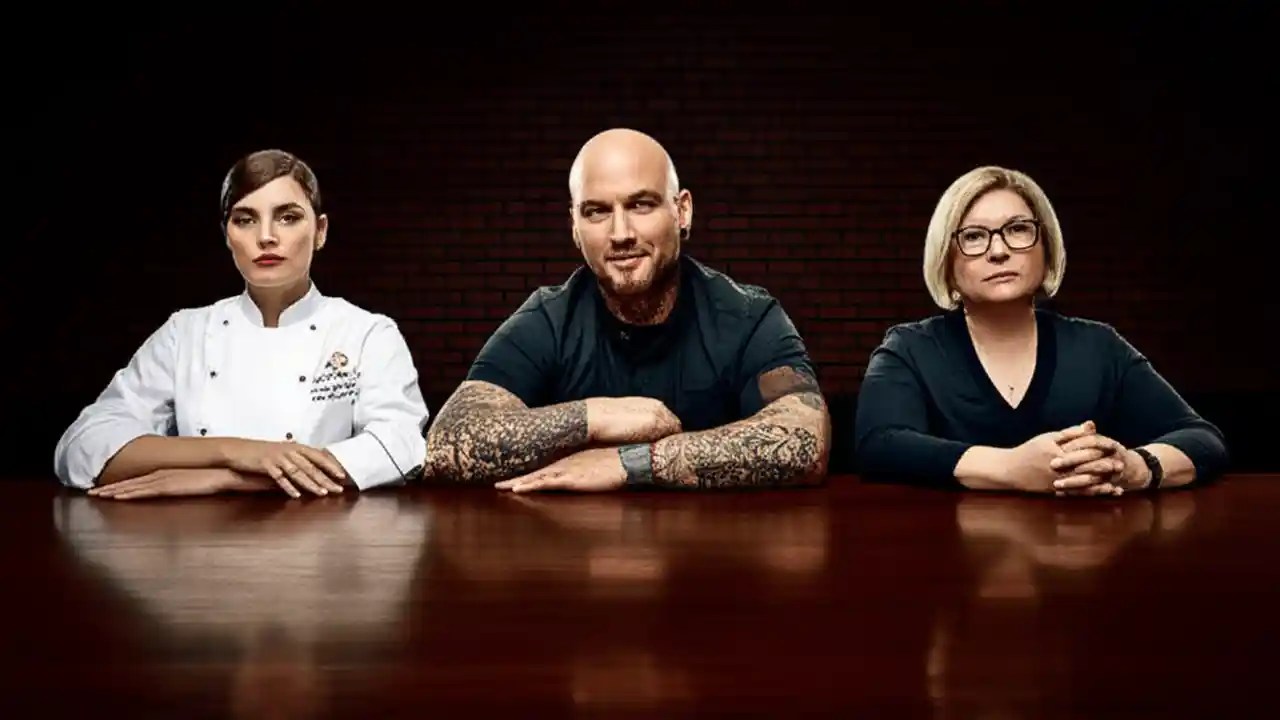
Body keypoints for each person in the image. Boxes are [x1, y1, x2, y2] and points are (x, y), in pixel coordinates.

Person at [423, 128, 830, 492]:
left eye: (641, 205)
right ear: (574, 227)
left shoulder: (748, 317)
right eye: (596, 211)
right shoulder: (548, 319)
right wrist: (594, 417)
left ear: (681, 211)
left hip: (713, 558)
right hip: (573, 556)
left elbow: (804, 439)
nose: (620, 234)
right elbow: (446, 446)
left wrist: (632, 462)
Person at [53, 149, 430, 499]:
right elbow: (82, 445)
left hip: (322, 547)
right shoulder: (185, 333)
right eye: (245, 219)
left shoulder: (366, 333)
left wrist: (231, 479)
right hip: (198, 546)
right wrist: (235, 452)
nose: (266, 237)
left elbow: (399, 444)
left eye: (288, 217)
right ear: (227, 236)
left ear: (320, 231)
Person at [854, 165, 1228, 496]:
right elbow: (879, 445)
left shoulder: (1098, 347)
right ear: (946, 262)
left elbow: (1202, 438)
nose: (998, 251)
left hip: (1081, 556)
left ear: (1046, 248)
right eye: (973, 236)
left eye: (1018, 229)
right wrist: (1011, 469)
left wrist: (1134, 467)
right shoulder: (909, 349)